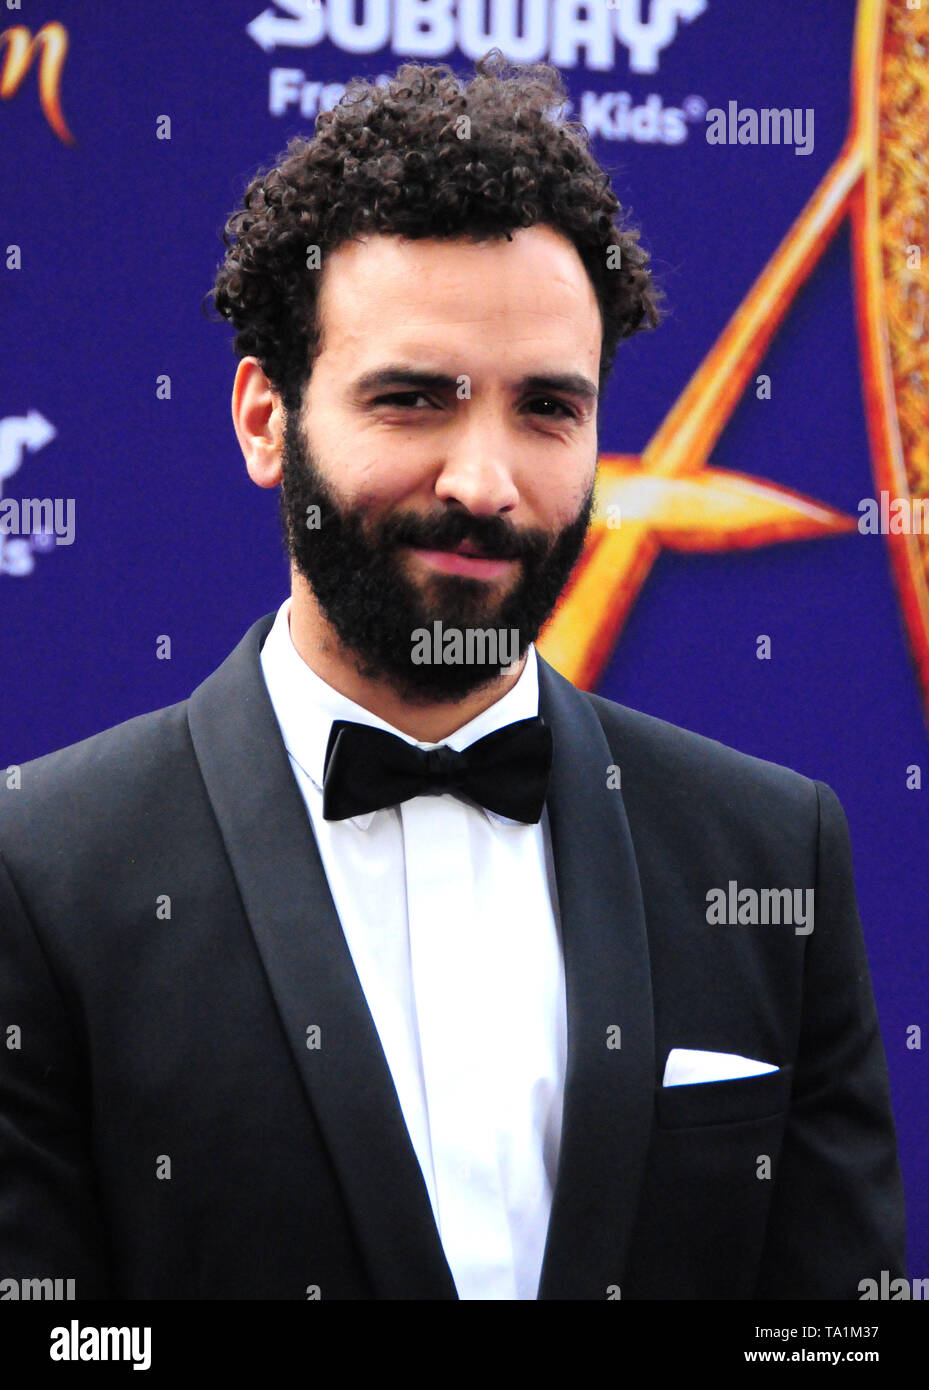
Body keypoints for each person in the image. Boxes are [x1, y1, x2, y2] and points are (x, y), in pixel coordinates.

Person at [0, 51, 905, 1301]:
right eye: (414, 398)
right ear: (266, 419)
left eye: (545, 409)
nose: (483, 482)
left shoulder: (767, 854)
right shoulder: (43, 870)